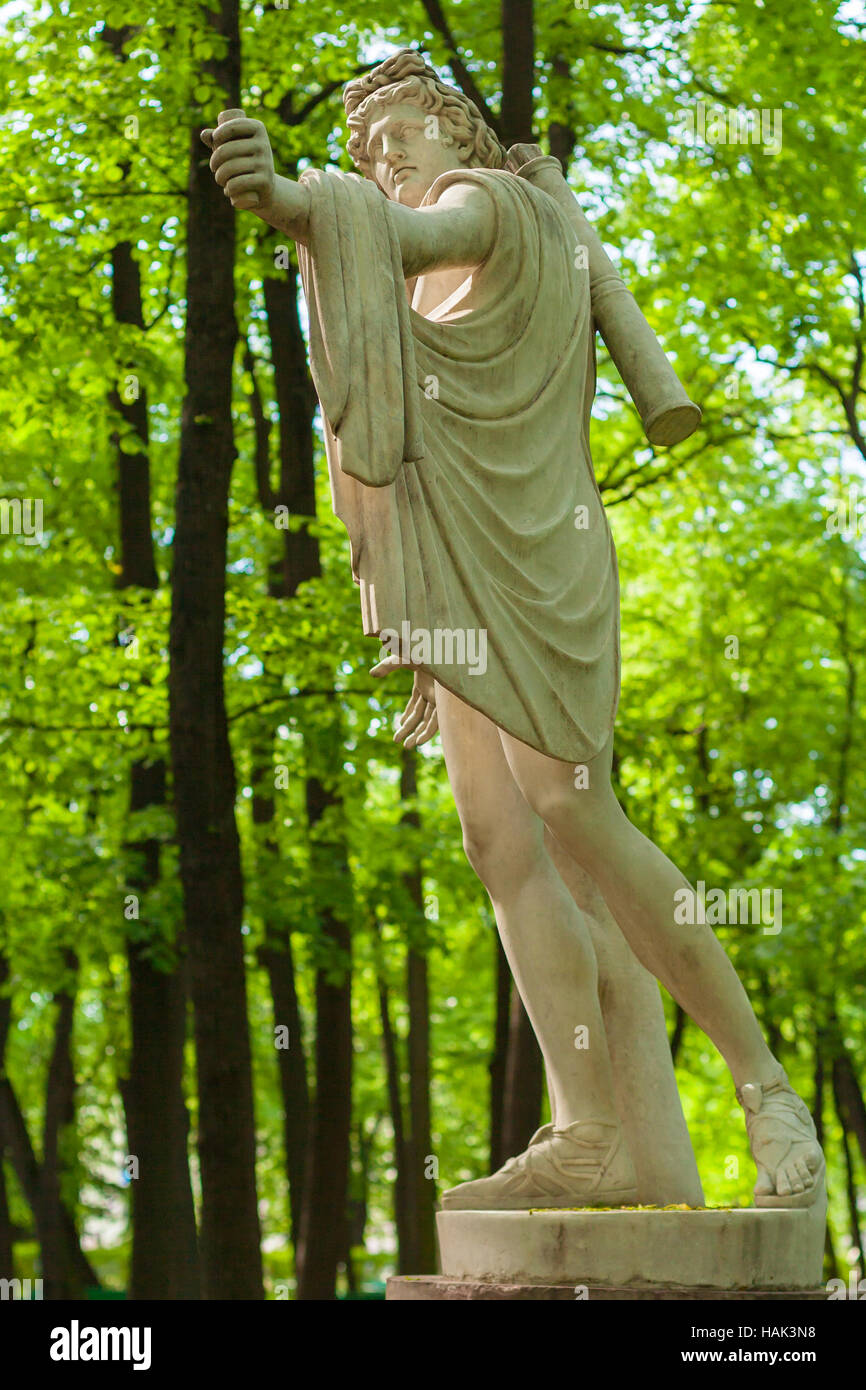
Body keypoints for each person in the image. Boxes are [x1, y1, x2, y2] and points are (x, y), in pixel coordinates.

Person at [202, 49, 825, 1212]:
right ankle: (591, 1129)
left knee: (574, 810)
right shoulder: (411, 276)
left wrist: (295, 202)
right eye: (364, 151)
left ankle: (767, 1090)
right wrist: (314, 225)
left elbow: (417, 239)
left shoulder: (491, 209)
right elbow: (377, 311)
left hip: (536, 560)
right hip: (453, 570)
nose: (381, 159)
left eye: (401, 135)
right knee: (499, 841)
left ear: (458, 137)